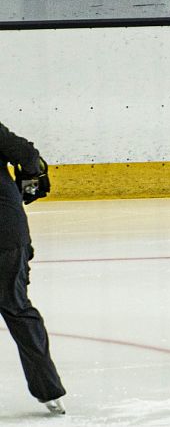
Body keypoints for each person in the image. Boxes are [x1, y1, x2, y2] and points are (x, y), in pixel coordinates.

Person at [0, 121, 66, 415]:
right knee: (17, 308)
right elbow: (27, 155)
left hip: (7, 233)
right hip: (8, 233)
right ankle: (49, 391)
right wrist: (29, 178)